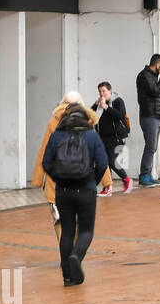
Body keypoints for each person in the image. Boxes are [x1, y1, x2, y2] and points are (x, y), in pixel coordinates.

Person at [41, 101, 110, 286]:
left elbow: (46, 163)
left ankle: (67, 276)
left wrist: (59, 179)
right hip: (86, 189)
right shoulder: (92, 136)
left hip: (63, 191)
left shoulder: (56, 136)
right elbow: (103, 162)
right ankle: (76, 256)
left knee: (67, 232)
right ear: (86, 118)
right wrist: (92, 180)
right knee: (86, 230)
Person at [33, 92, 109, 239]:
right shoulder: (88, 122)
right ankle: (74, 250)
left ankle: (64, 249)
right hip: (82, 179)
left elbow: (44, 151)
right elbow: (98, 154)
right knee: (78, 221)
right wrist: (106, 181)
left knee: (59, 220)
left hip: (56, 182)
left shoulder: (53, 123)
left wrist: (37, 179)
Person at [90, 81, 131, 196]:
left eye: (104, 91)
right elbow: (90, 114)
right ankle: (105, 187)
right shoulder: (99, 104)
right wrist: (96, 105)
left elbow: (120, 115)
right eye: (100, 91)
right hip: (101, 138)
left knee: (112, 162)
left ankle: (127, 179)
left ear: (110, 90)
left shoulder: (118, 101)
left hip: (115, 137)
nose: (102, 93)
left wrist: (106, 107)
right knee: (102, 164)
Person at [136, 53, 160, 186]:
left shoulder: (152, 76)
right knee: (151, 146)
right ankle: (144, 176)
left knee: (152, 147)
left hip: (156, 115)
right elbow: (155, 91)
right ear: (158, 64)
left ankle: (147, 174)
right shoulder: (145, 75)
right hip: (150, 116)